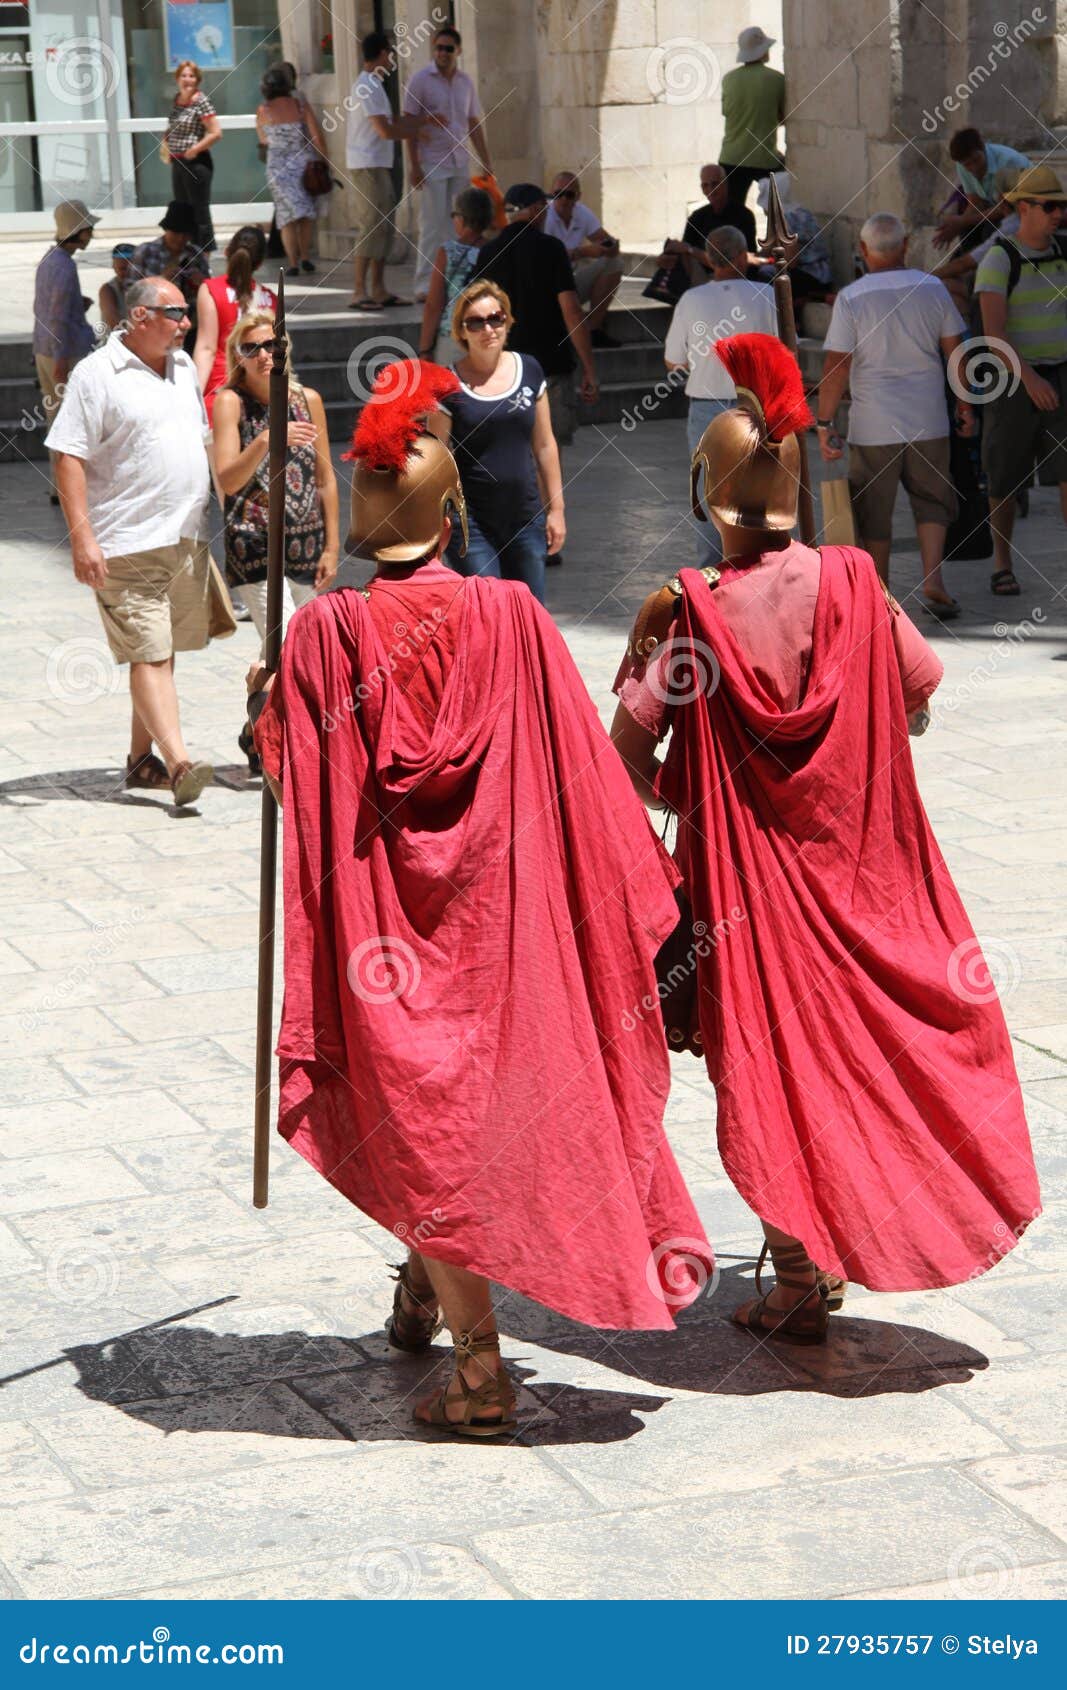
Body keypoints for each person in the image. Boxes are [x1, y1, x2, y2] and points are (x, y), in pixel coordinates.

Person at [251, 357, 713, 1436]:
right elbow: (586, 776)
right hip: (504, 929)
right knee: (457, 1122)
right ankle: (426, 1289)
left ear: (365, 519)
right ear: (452, 511)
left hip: (388, 944)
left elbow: (292, 778)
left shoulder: (324, 634)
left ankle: (479, 1371)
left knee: (425, 1116)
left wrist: (269, 703)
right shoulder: (510, 616)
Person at [610, 332, 1040, 1347]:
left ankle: (799, 1272)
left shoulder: (684, 612)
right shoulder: (855, 584)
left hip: (741, 903)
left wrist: (692, 795)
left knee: (765, 1071)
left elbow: (619, 752)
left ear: (705, 491)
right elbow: (917, 700)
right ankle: (842, 1244)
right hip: (863, 882)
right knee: (861, 1060)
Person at [45, 277, 215, 810]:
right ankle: (179, 762)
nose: (186, 323)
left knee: (162, 654)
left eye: (186, 312)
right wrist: (82, 538)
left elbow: (198, 440)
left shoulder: (182, 368)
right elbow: (67, 455)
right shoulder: (96, 374)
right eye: (176, 313)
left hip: (183, 536)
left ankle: (142, 761)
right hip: (126, 541)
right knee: (150, 653)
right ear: (140, 316)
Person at [817, 212, 973, 617]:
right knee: (933, 501)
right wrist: (965, 405)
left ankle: (881, 595)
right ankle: (933, 579)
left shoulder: (852, 297)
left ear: (863, 250)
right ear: (905, 246)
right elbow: (956, 352)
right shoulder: (932, 288)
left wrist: (824, 423)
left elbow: (837, 365)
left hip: (874, 425)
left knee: (873, 510)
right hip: (929, 418)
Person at [213, 310, 337, 771]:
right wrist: (266, 440)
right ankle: (282, 742)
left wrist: (332, 546)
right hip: (254, 546)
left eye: (272, 345)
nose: (264, 355)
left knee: (310, 649)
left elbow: (325, 477)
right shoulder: (231, 402)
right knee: (284, 646)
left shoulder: (308, 399)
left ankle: (255, 731)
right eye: (252, 348)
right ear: (238, 356)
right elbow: (228, 480)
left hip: (307, 543)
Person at [425, 279, 563, 601]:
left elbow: (545, 446)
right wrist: (434, 526)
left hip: (526, 517)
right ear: (462, 331)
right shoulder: (447, 383)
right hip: (470, 524)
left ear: (507, 321)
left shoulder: (529, 370)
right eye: (475, 322)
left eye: (495, 319)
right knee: (488, 611)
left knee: (529, 612)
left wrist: (556, 509)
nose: (487, 329)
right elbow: (436, 461)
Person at [973, 163, 1067, 598]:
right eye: (1050, 206)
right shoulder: (999, 259)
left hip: (1061, 374)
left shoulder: (1063, 253)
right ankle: (1002, 563)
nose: (1059, 214)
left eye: (1062, 206)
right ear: (1023, 208)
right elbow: (994, 335)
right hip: (1013, 383)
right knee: (1005, 478)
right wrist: (1029, 379)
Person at [664, 226, 776, 564]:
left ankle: (714, 572)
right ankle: (762, 567)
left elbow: (674, 361)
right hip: (756, 405)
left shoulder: (691, 299)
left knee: (709, 493)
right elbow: (785, 351)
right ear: (742, 256)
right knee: (760, 490)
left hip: (706, 406)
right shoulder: (766, 294)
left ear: (710, 260)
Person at [473, 183, 598, 464]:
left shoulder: (488, 252)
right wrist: (590, 369)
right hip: (549, 366)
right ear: (536, 210)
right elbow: (571, 311)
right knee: (548, 452)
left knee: (511, 454)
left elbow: (478, 315)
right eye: (544, 207)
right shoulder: (552, 249)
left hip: (505, 368)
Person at [403, 24, 493, 302]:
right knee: (432, 225)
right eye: (438, 48)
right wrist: (414, 166)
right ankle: (424, 285)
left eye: (448, 48)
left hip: (459, 160)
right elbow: (408, 123)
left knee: (462, 224)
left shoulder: (466, 82)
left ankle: (457, 280)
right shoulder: (420, 80)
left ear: (458, 51)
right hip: (431, 161)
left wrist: (486, 161)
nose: (442, 53)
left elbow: (473, 121)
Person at [345, 30, 429, 311]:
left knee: (384, 226)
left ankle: (379, 288)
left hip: (379, 163)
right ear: (382, 53)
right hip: (367, 164)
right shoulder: (366, 86)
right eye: (390, 52)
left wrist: (422, 124)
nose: (393, 57)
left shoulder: (374, 84)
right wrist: (417, 131)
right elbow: (384, 130)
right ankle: (359, 291)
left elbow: (391, 123)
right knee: (371, 225)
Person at [33, 199, 99, 502]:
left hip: (44, 350)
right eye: (88, 228)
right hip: (64, 353)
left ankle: (58, 486)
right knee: (69, 423)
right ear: (78, 231)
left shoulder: (49, 259)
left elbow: (45, 308)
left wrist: (77, 304)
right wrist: (61, 361)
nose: (91, 234)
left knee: (56, 419)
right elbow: (57, 316)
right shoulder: (65, 265)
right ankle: (68, 488)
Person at [193, 226, 277, 422]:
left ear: (226, 252)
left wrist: (194, 397)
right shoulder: (272, 299)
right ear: (260, 262)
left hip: (220, 390)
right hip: (261, 395)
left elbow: (207, 348)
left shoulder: (211, 289)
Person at [257, 61, 328, 277]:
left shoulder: (263, 111)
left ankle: (293, 262)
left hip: (277, 168)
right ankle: (305, 257)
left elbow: (263, 140)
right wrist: (325, 160)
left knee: (286, 216)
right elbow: (316, 136)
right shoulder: (300, 106)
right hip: (302, 164)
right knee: (305, 213)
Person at [544, 170, 624, 346]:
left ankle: (593, 329)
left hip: (571, 284)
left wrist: (610, 246)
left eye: (569, 194)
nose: (563, 199)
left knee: (615, 263)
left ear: (578, 196)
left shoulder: (582, 213)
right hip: (548, 289)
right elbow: (545, 258)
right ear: (551, 194)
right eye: (558, 194)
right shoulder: (545, 216)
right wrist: (582, 252)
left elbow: (605, 239)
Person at [656, 163, 758, 296]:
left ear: (725, 185)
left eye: (715, 184)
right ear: (702, 189)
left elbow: (745, 260)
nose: (711, 190)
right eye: (706, 185)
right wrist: (665, 259)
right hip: (702, 280)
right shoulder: (697, 217)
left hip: (734, 279)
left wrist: (691, 250)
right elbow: (685, 251)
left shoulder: (743, 215)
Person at [418, 186, 494, 360]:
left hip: (453, 336)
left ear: (462, 218)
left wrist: (425, 349)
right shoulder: (496, 250)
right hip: (487, 336)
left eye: (454, 215)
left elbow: (434, 305)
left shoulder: (448, 252)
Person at [934, 127, 1030, 253]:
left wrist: (962, 221)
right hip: (997, 208)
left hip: (1024, 210)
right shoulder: (962, 166)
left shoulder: (1008, 162)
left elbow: (1005, 208)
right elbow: (975, 202)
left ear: (983, 149)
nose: (974, 167)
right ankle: (974, 263)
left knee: (989, 231)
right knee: (967, 234)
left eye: (976, 160)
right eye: (967, 164)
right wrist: (957, 227)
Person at [719, 26, 785, 209]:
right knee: (780, 209)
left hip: (731, 158)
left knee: (732, 213)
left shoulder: (728, 79)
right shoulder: (777, 79)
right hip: (765, 158)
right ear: (763, 51)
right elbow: (783, 117)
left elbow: (727, 112)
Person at [162, 60, 221, 254]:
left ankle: (204, 256)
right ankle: (187, 253)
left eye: (191, 76)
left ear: (197, 80)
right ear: (177, 79)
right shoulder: (177, 99)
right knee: (182, 210)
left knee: (199, 212)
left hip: (196, 164)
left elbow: (215, 133)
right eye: (183, 75)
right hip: (177, 161)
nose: (187, 79)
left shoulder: (201, 101)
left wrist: (195, 149)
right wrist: (167, 141)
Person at [756, 171, 834, 303]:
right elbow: (767, 249)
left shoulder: (790, 218)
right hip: (806, 274)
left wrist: (764, 261)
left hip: (814, 276)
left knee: (767, 274)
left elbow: (790, 261)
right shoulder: (786, 217)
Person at [128, 201, 210, 321]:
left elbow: (211, 293)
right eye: (176, 233)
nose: (181, 238)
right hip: (155, 322)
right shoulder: (145, 252)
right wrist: (161, 280)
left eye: (186, 234)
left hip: (191, 321)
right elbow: (130, 293)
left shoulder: (196, 254)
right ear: (166, 229)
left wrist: (203, 284)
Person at [98, 242, 135, 332]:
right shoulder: (108, 290)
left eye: (132, 268)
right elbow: (115, 324)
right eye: (122, 269)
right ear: (113, 267)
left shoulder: (146, 287)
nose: (127, 273)